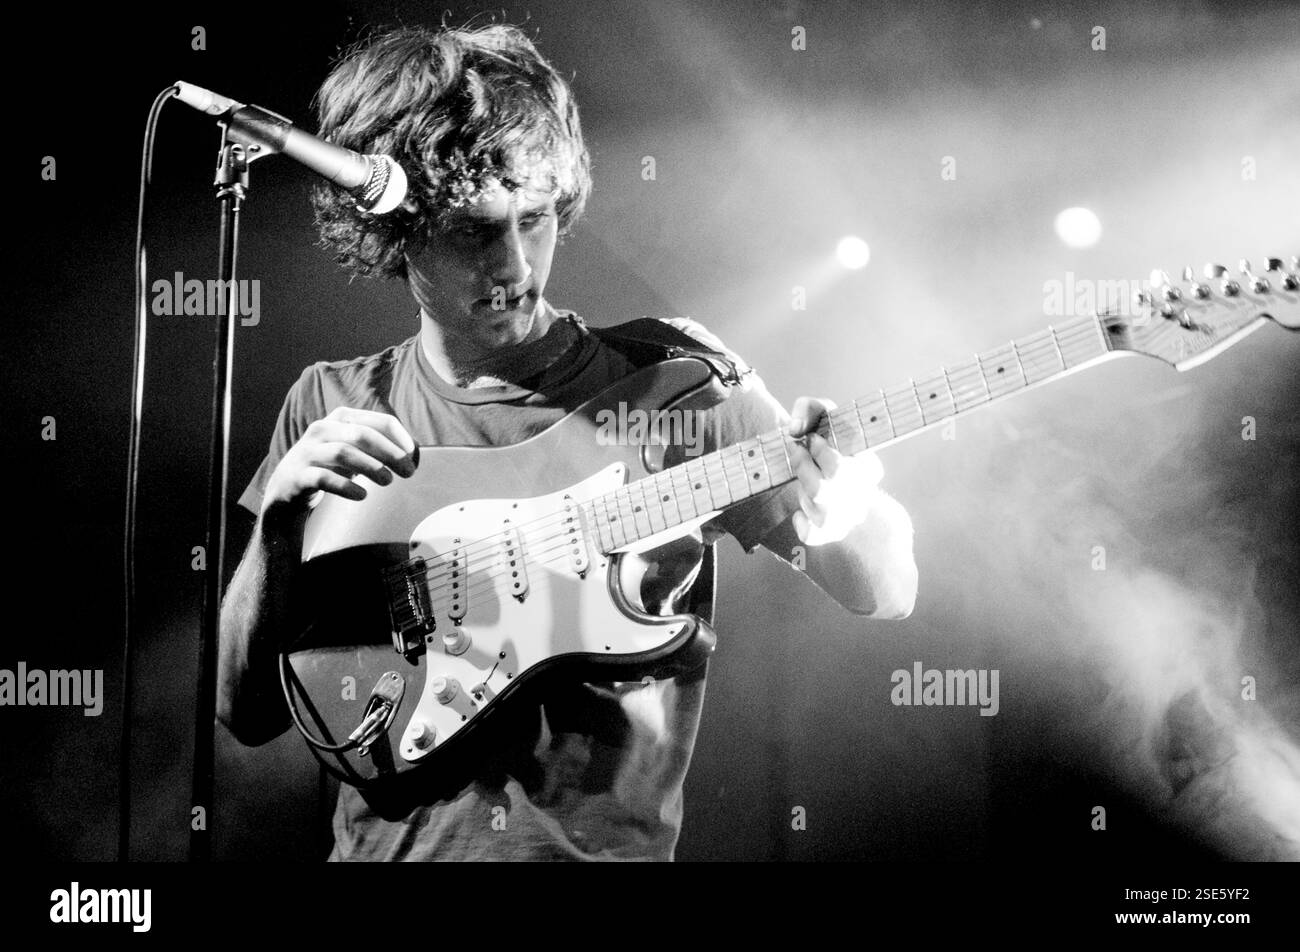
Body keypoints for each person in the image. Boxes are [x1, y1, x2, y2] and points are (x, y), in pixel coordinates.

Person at [217, 23, 918, 861]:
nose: (514, 262)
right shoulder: (331, 403)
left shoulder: (676, 384)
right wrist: (280, 522)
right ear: (396, 231)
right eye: (475, 231)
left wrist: (845, 508)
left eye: (537, 218)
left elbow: (886, 589)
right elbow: (245, 711)